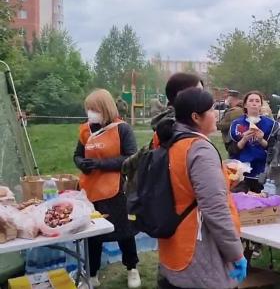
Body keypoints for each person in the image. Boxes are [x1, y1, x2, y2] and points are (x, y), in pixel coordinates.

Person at [157, 87, 246, 289]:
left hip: (172, 244)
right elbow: (215, 209)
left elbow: (183, 186)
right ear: (196, 117)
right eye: (211, 109)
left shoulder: (170, 141)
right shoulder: (199, 150)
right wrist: (236, 253)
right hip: (197, 252)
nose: (216, 114)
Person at [73, 89, 141, 288]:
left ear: (105, 108)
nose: (90, 113)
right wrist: (81, 163)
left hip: (116, 189)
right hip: (90, 190)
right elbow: (76, 154)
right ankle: (92, 274)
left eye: (93, 109)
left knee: (124, 231)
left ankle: (132, 268)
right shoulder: (86, 130)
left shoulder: (122, 129)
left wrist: (100, 164)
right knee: (93, 235)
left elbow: (130, 157)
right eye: (88, 109)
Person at [230, 91, 277, 193]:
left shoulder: (271, 124)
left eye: (257, 101)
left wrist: (261, 140)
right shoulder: (237, 123)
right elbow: (232, 150)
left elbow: (273, 149)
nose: (254, 103)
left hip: (261, 170)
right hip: (241, 171)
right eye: (251, 101)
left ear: (261, 105)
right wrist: (244, 139)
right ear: (245, 105)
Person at [217, 90, 244, 154]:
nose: (226, 100)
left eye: (227, 97)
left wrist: (215, 124)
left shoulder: (234, 111)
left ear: (231, 98)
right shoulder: (241, 109)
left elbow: (223, 126)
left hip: (232, 142)